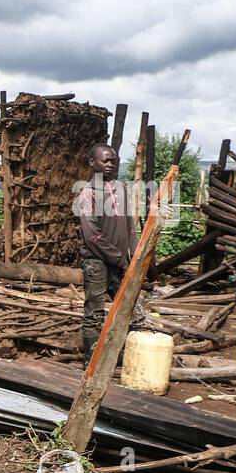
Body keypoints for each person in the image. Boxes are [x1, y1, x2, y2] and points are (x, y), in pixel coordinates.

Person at [76, 142, 137, 360]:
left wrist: (134, 255)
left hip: (121, 262)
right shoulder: (87, 194)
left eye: (114, 160)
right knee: (95, 312)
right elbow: (92, 236)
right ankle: (90, 363)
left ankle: (131, 358)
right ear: (93, 163)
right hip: (97, 263)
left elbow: (130, 227)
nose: (111, 164)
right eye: (106, 160)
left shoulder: (121, 188)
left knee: (132, 309)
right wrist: (119, 259)